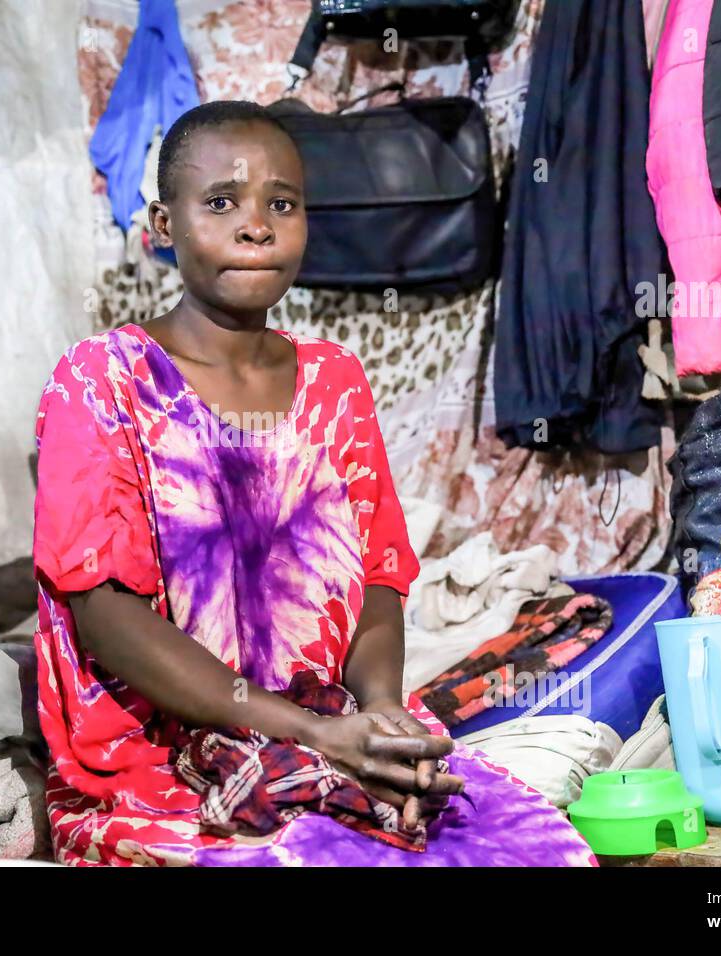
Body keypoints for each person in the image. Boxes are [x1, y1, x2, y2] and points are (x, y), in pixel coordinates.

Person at [32, 100, 595, 866]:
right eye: (222, 202)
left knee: (516, 847)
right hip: (161, 772)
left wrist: (382, 711)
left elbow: (376, 577)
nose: (256, 225)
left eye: (282, 204)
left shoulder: (333, 380)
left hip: (325, 729)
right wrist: (307, 732)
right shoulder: (102, 382)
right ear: (163, 226)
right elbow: (102, 611)